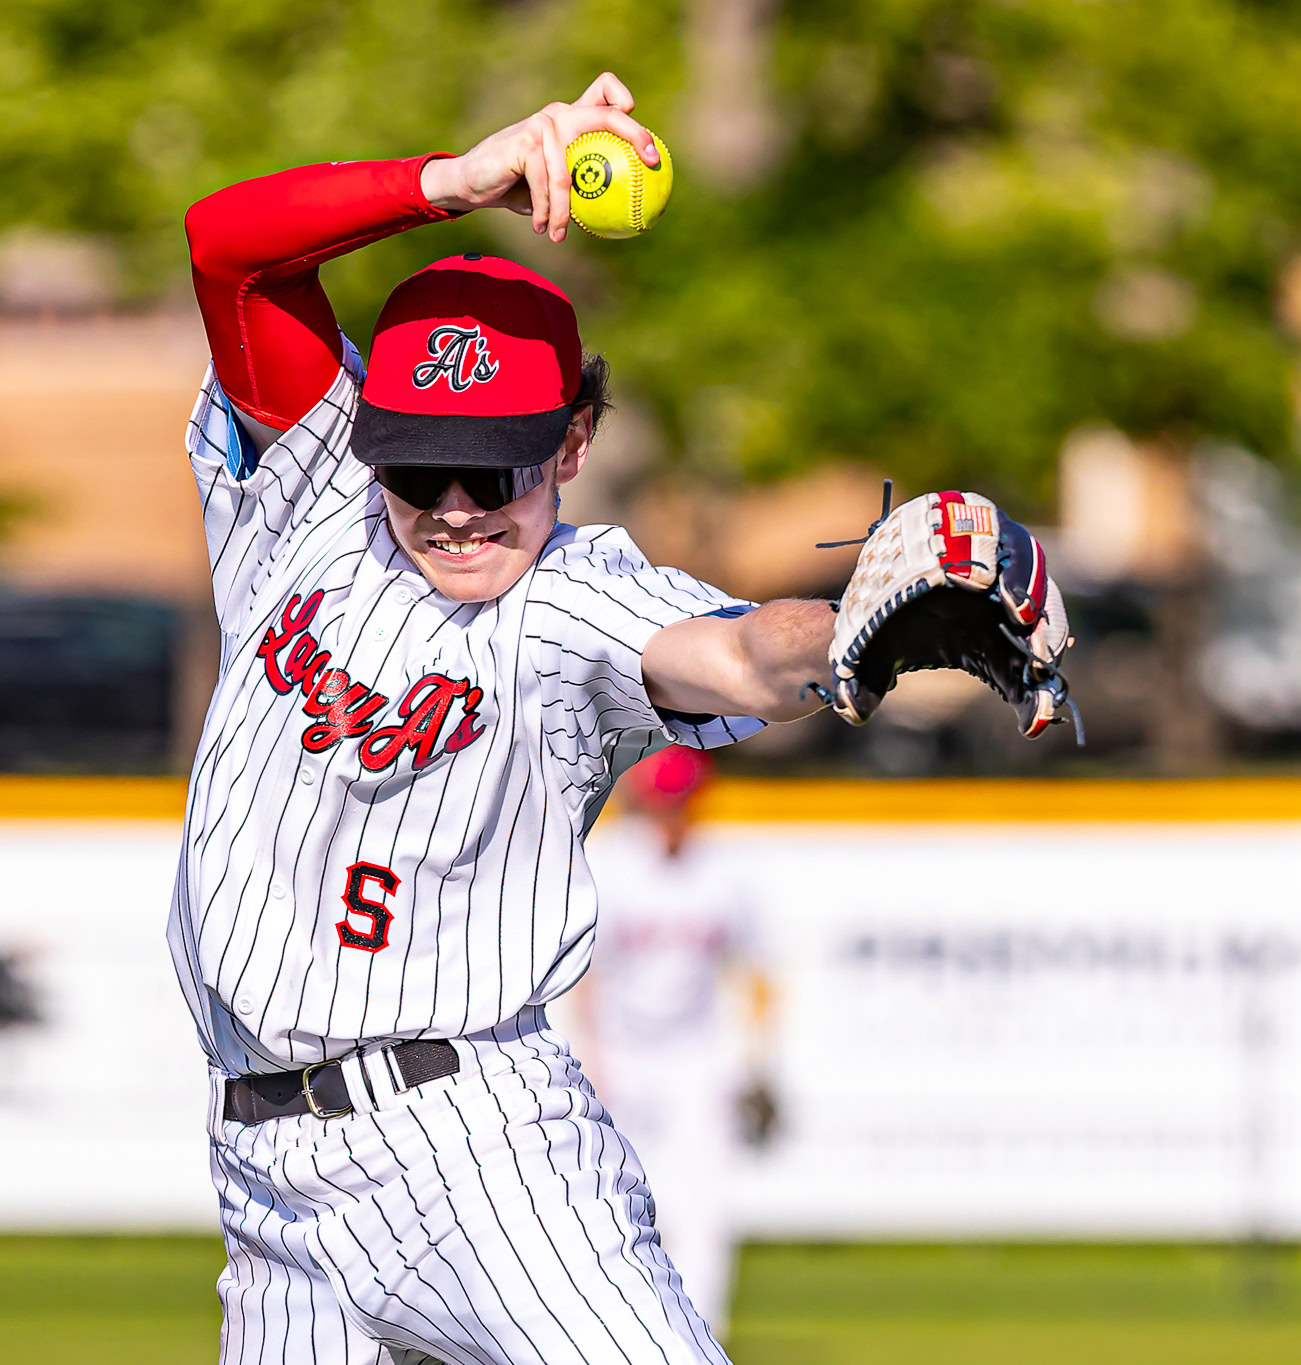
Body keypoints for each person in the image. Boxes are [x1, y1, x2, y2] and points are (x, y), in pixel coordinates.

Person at [172, 72, 846, 1365]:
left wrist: (856, 623)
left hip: (478, 1152)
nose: (460, 504)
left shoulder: (571, 600)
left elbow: (744, 654)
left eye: (502, 461)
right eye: (423, 462)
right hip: (265, 1186)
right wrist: (454, 182)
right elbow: (226, 248)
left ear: (576, 436)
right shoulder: (308, 498)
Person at [571, 746, 777, 1339]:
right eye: (662, 802)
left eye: (679, 802)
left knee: (703, 1204)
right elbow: (586, 974)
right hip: (620, 1055)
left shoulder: (724, 870)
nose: (670, 814)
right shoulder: (610, 863)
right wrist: (592, 1059)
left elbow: (760, 968)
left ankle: (700, 1335)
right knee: (607, 1198)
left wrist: (756, 1063)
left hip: (696, 1057)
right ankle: (610, 1329)